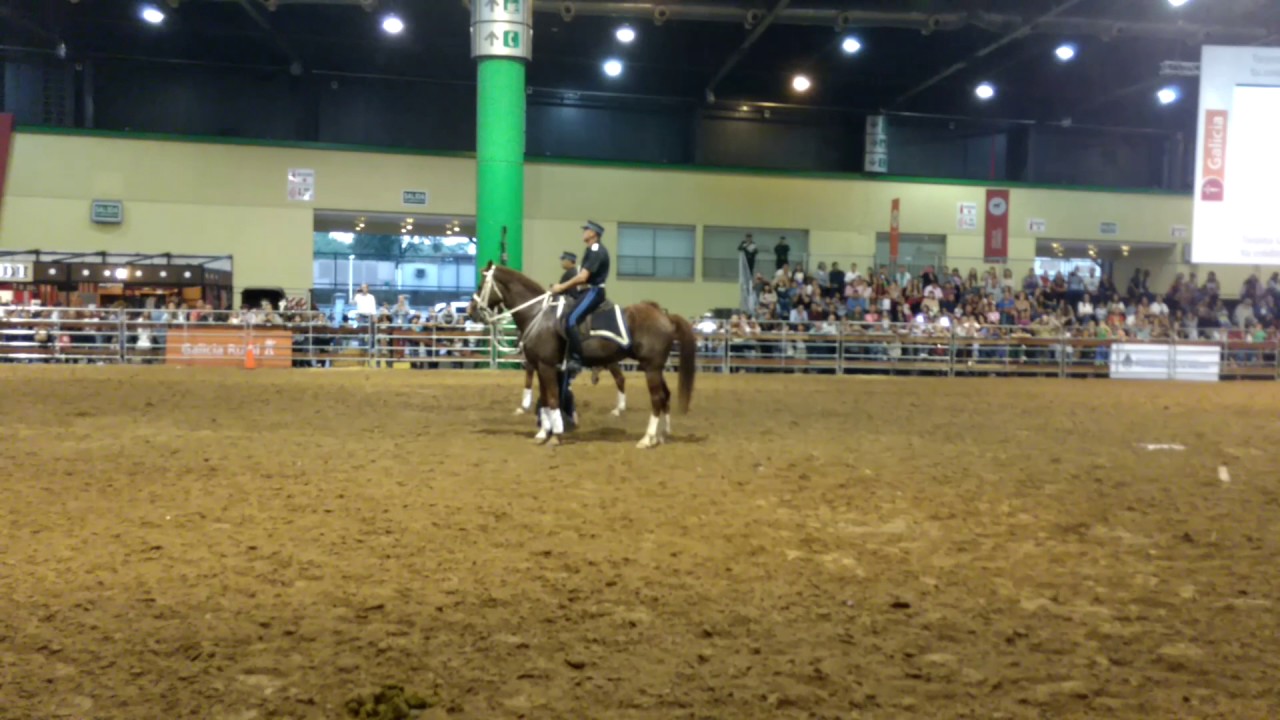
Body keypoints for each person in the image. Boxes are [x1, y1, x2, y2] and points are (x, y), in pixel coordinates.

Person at [551, 220, 610, 372]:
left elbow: (583, 277)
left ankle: (577, 359)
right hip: (586, 291)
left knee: (570, 319)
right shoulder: (590, 249)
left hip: (594, 291)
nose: (584, 232)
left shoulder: (596, 250)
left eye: (587, 230)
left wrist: (561, 287)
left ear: (594, 234)